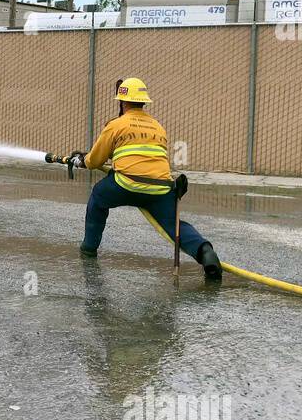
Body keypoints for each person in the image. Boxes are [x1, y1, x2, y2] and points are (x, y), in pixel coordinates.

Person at [69, 77, 223, 281]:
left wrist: (82, 161)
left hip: (126, 184)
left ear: (122, 102)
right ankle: (205, 252)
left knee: (98, 197)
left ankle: (89, 249)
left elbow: (95, 160)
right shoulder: (157, 126)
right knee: (173, 224)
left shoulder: (116, 125)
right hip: (160, 190)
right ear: (143, 101)